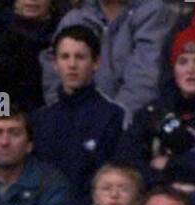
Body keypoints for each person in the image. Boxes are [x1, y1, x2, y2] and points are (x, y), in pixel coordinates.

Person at [126, 24, 195, 190]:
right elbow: (128, 160)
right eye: (183, 62)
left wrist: (170, 163)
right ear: (173, 69)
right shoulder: (153, 112)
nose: (190, 70)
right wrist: (166, 183)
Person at [32, 26, 124, 205]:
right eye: (65, 57)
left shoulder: (112, 116)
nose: (72, 65)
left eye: (80, 57)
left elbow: (114, 177)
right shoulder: (40, 119)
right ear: (55, 63)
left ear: (96, 63)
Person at [41, 0, 173, 127]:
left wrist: (109, 122)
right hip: (76, 124)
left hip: (130, 124)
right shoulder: (76, 18)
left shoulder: (152, 12)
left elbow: (144, 80)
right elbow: (54, 74)